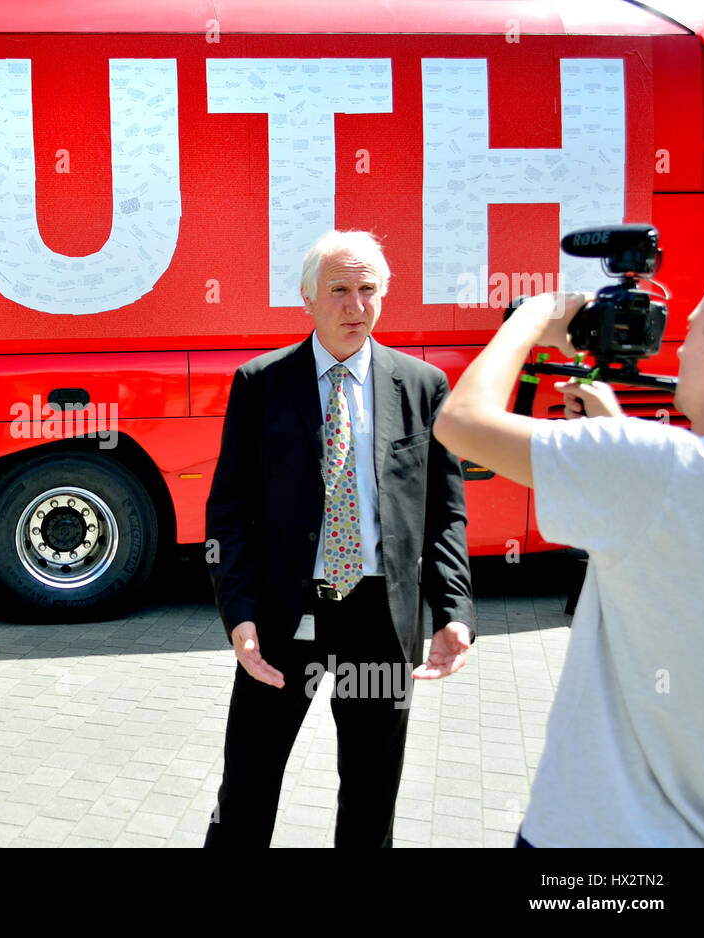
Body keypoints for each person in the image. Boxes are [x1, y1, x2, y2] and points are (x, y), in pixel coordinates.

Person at [204, 230, 476, 848]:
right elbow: (229, 510)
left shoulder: (423, 386)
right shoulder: (262, 383)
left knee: (371, 793)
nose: (356, 306)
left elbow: (444, 515)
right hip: (284, 616)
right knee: (246, 788)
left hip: (380, 618)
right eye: (339, 291)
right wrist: (238, 613)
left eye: (368, 290)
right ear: (307, 298)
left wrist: (454, 611)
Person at [433, 283, 704, 846]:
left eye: (696, 329)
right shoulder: (665, 470)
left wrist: (532, 317)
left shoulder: (662, 470)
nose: (678, 349)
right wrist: (616, 434)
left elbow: (461, 422)